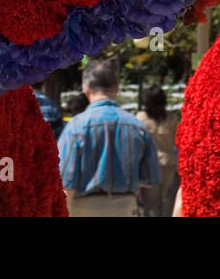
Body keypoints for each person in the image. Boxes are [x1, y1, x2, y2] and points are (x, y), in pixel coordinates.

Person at [57, 58, 159, 216]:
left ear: (85, 88)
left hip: (84, 209)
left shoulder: (75, 127)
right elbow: (150, 178)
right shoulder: (138, 127)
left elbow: (65, 182)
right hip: (125, 208)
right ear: (117, 88)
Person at [136, 86, 180, 216]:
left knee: (151, 206)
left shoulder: (141, 118)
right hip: (170, 165)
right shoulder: (172, 118)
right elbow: (177, 141)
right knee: (168, 204)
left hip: (150, 167)